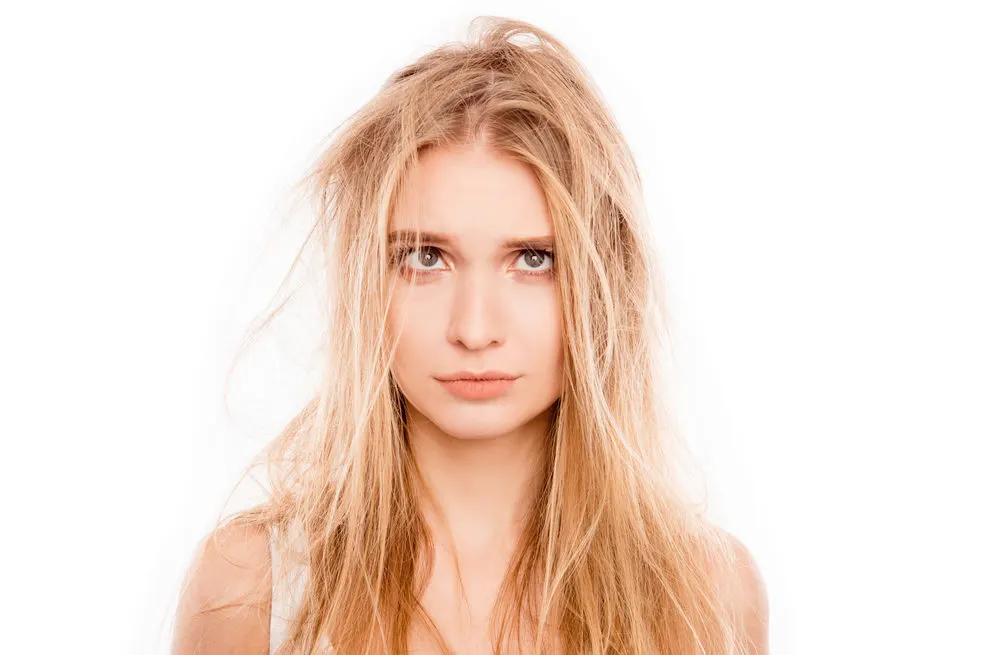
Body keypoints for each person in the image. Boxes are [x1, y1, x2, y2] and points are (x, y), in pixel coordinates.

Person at [171, 16, 768, 655]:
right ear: (365, 281)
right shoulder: (254, 588)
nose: (475, 329)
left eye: (534, 259)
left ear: (604, 283)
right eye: (426, 258)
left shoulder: (705, 591)